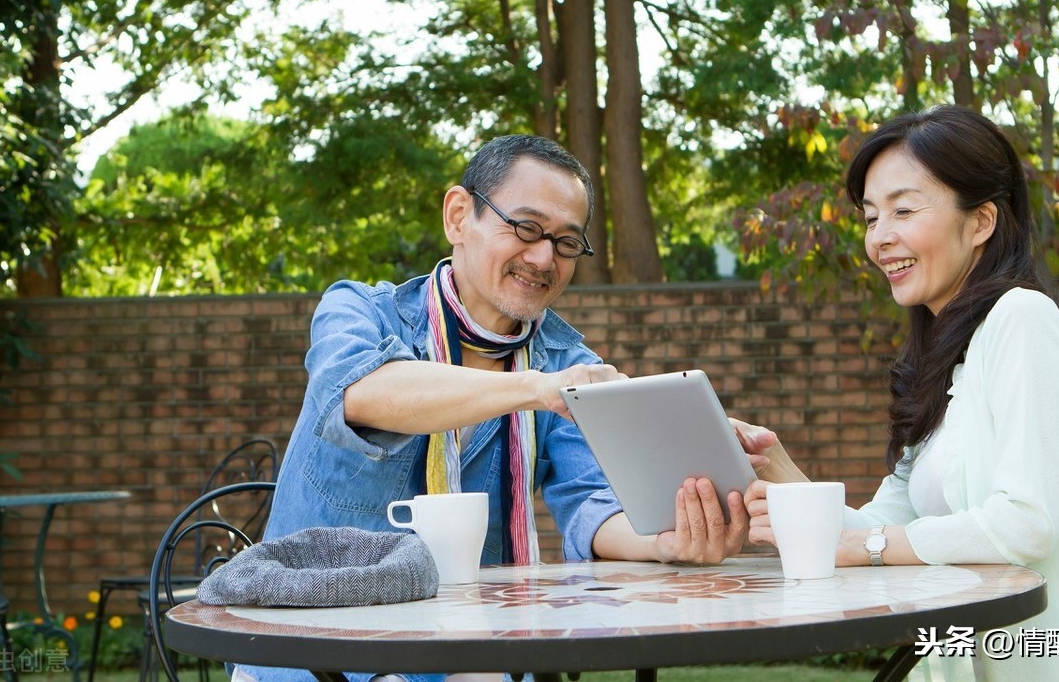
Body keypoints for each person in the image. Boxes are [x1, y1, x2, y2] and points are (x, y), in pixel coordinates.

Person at [238, 134, 749, 682]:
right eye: (526, 228)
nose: (544, 257)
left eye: (567, 242)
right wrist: (535, 388)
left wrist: (665, 538)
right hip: (320, 652)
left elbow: (593, 505)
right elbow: (364, 394)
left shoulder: (565, 361)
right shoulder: (360, 312)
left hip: (470, 651)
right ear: (459, 216)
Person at [739, 106, 1059, 680]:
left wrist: (871, 547)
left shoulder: (1023, 318)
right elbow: (872, 531)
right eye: (869, 217)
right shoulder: (940, 360)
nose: (880, 238)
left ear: (981, 220)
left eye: (903, 210)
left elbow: (1025, 522)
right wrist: (775, 466)